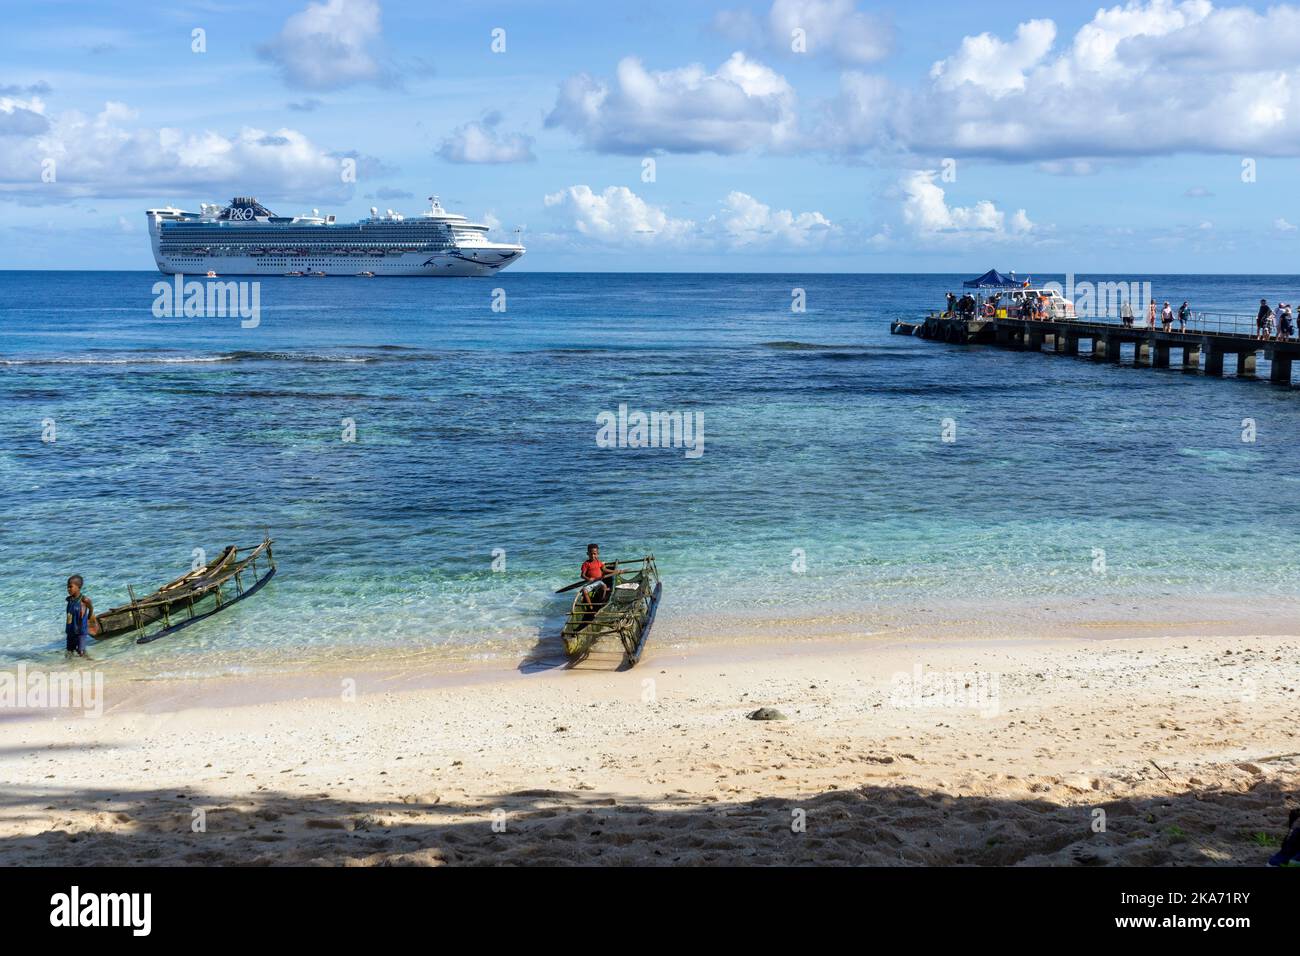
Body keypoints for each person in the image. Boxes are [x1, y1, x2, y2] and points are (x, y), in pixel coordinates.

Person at [64, 575, 94, 658]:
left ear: (79, 587)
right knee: (69, 652)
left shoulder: (84, 600)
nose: (68, 589)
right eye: (67, 587)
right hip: (70, 630)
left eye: (70, 587)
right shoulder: (69, 599)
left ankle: (91, 664)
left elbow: (91, 609)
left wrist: (88, 618)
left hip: (80, 631)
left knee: (81, 652)